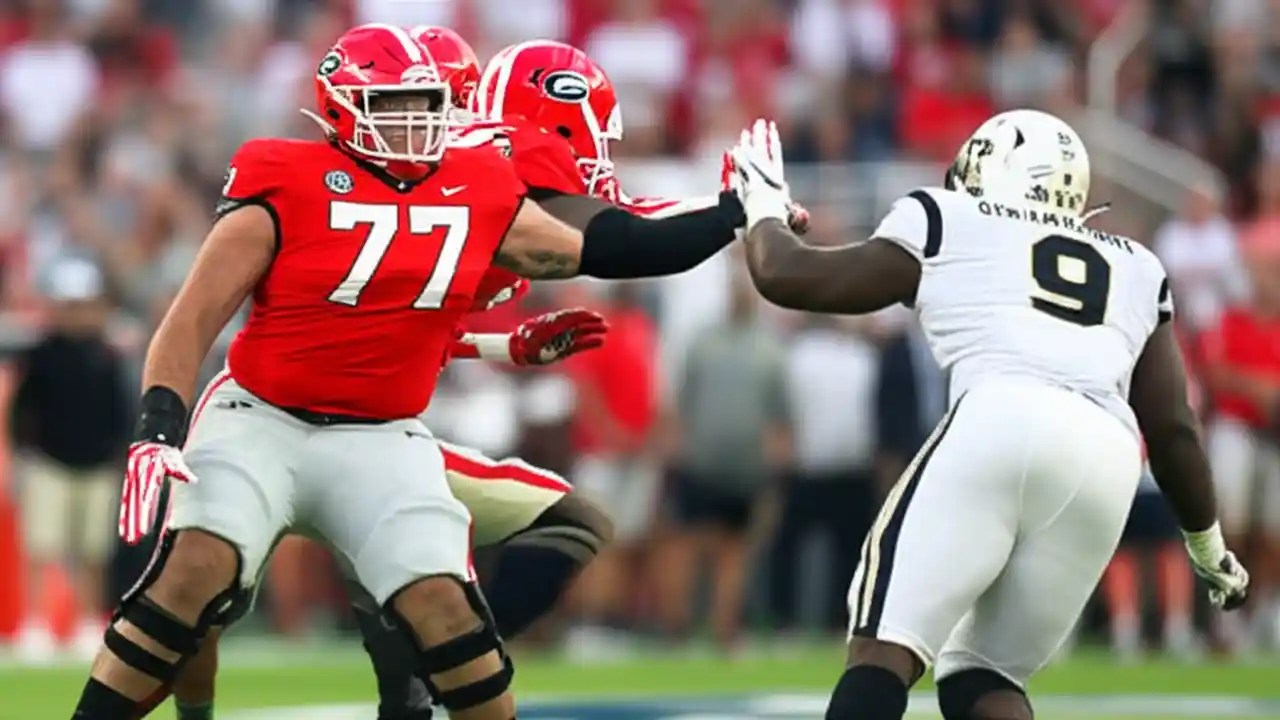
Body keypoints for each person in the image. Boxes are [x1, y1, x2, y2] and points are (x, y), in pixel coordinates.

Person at [73, 23, 751, 720]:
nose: (414, 123)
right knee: (194, 571)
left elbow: (612, 244)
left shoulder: (476, 184)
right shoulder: (284, 175)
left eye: (425, 105)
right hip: (262, 417)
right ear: (341, 108)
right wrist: (159, 423)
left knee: (445, 607)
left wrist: (731, 214)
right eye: (392, 106)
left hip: (379, 436)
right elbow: (190, 319)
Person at [730, 112, 1251, 720]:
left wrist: (762, 205)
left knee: (883, 648)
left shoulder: (947, 217)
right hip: (1107, 458)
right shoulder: (1138, 264)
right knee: (986, 674)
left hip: (1001, 417)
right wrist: (1210, 548)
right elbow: (1172, 428)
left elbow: (788, 276)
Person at [12, 258, 131, 661]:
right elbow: (23, 411)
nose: (78, 314)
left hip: (97, 468)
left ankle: (86, 622)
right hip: (49, 464)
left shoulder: (108, 356)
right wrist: (27, 453)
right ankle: (36, 624)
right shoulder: (40, 355)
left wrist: (116, 456)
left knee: (93, 551)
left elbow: (119, 411)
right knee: (41, 548)